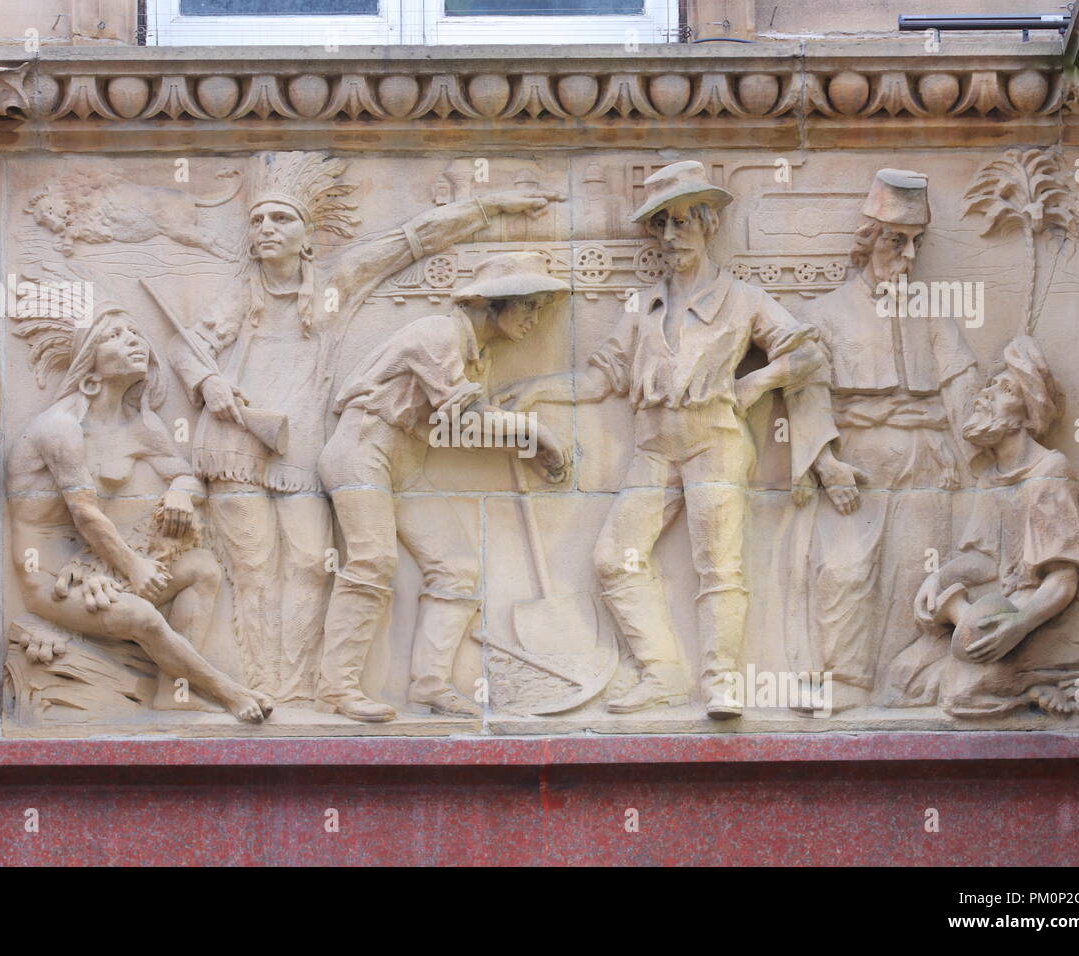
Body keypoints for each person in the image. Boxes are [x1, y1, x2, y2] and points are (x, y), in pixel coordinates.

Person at [167, 150, 563, 703]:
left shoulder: (334, 287)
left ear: (308, 235)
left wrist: (487, 206)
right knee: (256, 569)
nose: (265, 228)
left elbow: (407, 241)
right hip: (242, 440)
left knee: (312, 564)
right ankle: (262, 690)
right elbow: (189, 350)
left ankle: (317, 687)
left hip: (309, 442)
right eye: (257, 219)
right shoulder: (241, 296)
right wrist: (209, 385)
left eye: (280, 218)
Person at [496, 161, 842, 717]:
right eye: (662, 224)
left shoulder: (744, 299)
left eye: (682, 221)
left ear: (707, 225)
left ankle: (721, 682)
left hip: (716, 442)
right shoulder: (642, 305)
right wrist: (537, 389)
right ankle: (663, 675)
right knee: (614, 559)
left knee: (718, 565)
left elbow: (807, 352)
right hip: (655, 447)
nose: (671, 236)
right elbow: (601, 376)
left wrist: (756, 380)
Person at [317, 252, 572, 721]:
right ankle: (337, 688)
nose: (534, 319)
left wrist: (526, 443)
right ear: (493, 303)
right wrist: (535, 432)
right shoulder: (438, 334)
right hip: (362, 449)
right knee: (373, 559)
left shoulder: (477, 354)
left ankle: (430, 686)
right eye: (528, 305)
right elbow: (468, 416)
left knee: (456, 566)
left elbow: (458, 428)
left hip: (405, 461)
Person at [7, 306, 273, 723]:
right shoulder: (59, 428)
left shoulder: (142, 425)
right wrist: (133, 567)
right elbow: (85, 514)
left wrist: (181, 495)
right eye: (115, 335)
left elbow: (187, 476)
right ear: (88, 366)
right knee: (141, 615)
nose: (134, 339)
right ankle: (229, 691)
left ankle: (174, 691)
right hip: (53, 579)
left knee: (202, 567)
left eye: (136, 331)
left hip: (105, 567)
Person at [779, 169, 982, 710]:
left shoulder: (935, 315)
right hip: (859, 462)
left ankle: (903, 684)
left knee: (917, 572)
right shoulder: (822, 314)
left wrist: (986, 457)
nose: (908, 255)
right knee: (843, 571)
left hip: (926, 460)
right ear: (869, 240)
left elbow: (962, 386)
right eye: (897, 241)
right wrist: (826, 465)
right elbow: (806, 392)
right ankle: (840, 681)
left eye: (916, 243)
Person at [902, 336, 1079, 717]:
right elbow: (985, 560)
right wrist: (937, 580)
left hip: (1057, 618)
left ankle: (1046, 685)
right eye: (990, 385)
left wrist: (1020, 624)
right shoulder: (993, 478)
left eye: (1004, 389)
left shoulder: (1049, 476)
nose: (986, 395)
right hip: (1007, 610)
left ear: (1026, 413)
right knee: (905, 676)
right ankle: (1029, 681)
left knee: (960, 691)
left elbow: (1063, 580)